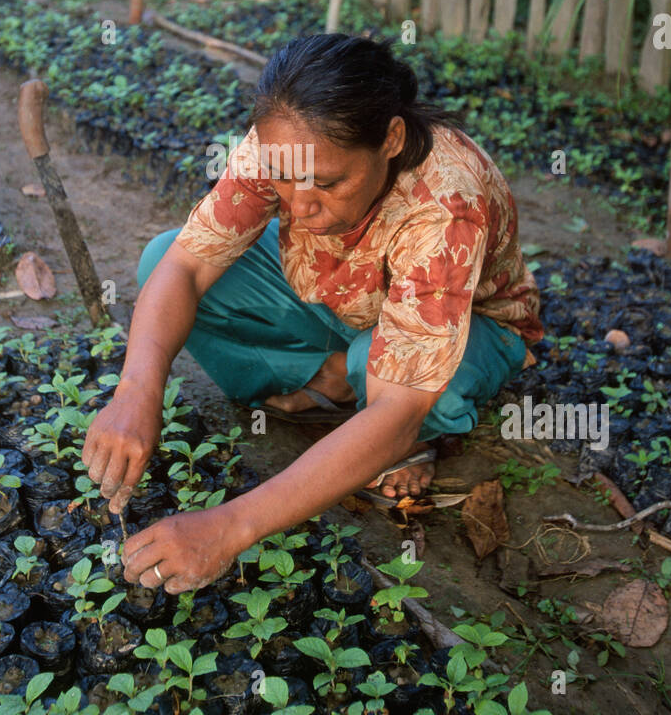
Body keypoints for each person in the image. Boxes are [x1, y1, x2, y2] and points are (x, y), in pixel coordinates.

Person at [82, 34, 543, 593]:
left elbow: (398, 406)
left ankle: (390, 414)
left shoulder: (446, 205)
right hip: (338, 292)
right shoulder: (286, 145)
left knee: (410, 393)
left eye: (328, 183)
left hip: (474, 324)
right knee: (162, 259)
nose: (299, 206)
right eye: (283, 179)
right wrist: (135, 390)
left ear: (392, 139)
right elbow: (183, 268)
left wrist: (229, 526)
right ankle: (343, 377)